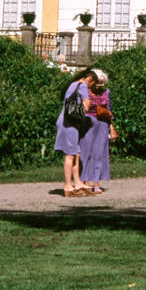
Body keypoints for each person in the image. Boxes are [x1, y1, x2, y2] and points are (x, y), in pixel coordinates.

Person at [54, 69, 101, 197]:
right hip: (70, 123)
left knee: (76, 152)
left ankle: (78, 182)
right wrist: (90, 104)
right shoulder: (83, 86)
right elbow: (86, 106)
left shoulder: (72, 84)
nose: (91, 87)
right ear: (90, 80)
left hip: (65, 120)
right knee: (70, 154)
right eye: (93, 84)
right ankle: (68, 185)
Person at [79, 70, 117, 192]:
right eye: (97, 83)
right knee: (86, 152)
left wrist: (112, 128)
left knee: (99, 153)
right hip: (87, 123)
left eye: (101, 84)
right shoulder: (84, 92)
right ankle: (84, 181)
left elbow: (108, 111)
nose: (99, 86)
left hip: (102, 124)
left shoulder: (106, 93)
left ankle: (96, 182)